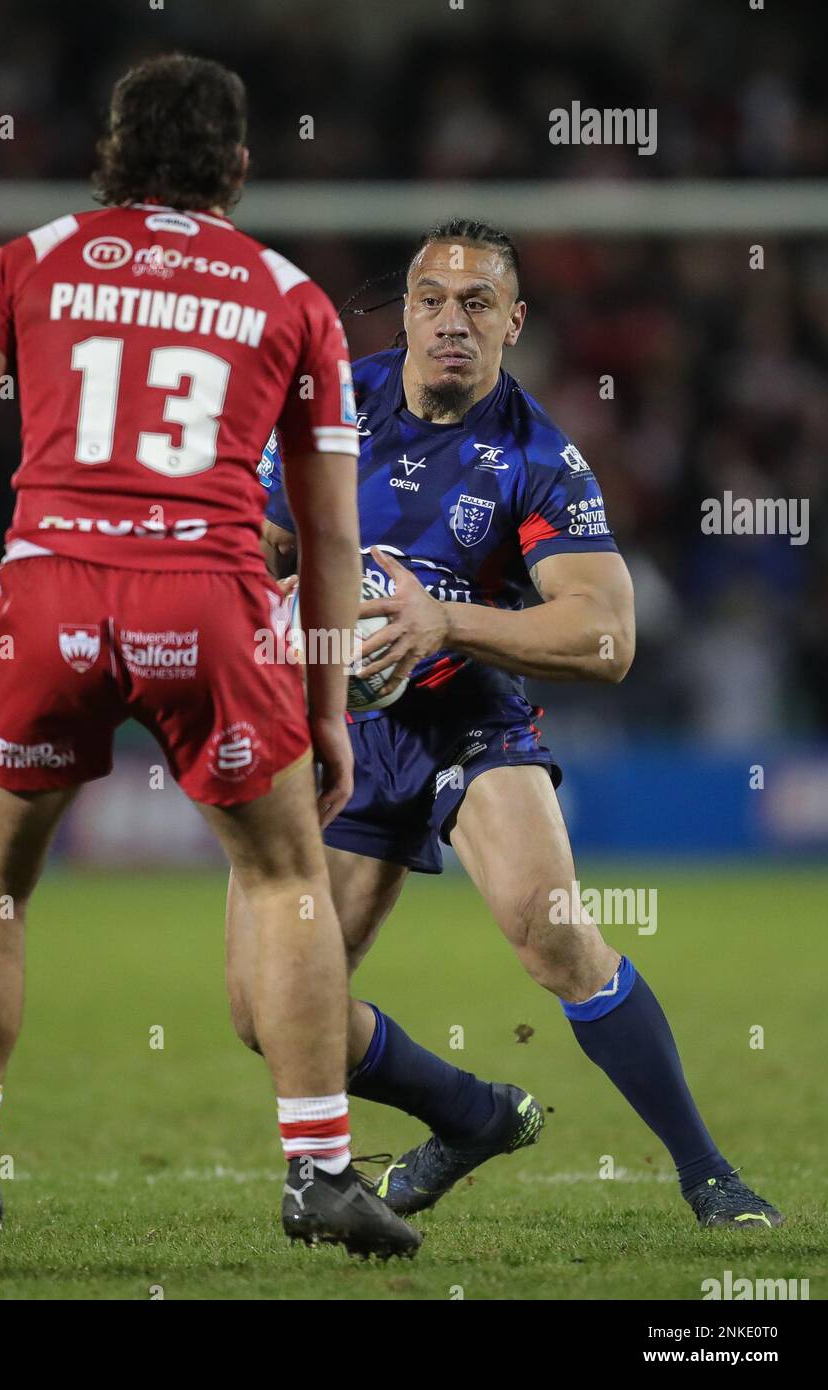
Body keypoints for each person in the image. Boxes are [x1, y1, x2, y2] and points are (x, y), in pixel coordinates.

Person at [0, 53, 420, 1264]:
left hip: (51, 587)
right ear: (238, 166)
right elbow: (327, 534)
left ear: (110, 152)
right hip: (206, 598)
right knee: (285, 878)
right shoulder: (289, 295)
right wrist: (324, 704)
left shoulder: (27, 260)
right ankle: (319, 1173)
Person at [229, 219, 782, 1230]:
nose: (451, 321)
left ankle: (709, 1175)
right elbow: (257, 545)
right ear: (404, 313)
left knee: (550, 925)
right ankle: (470, 1114)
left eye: (476, 303)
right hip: (332, 722)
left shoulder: (536, 455)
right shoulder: (327, 404)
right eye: (431, 300)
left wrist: (445, 622)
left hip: (465, 709)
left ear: (513, 322)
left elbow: (607, 634)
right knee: (269, 1008)